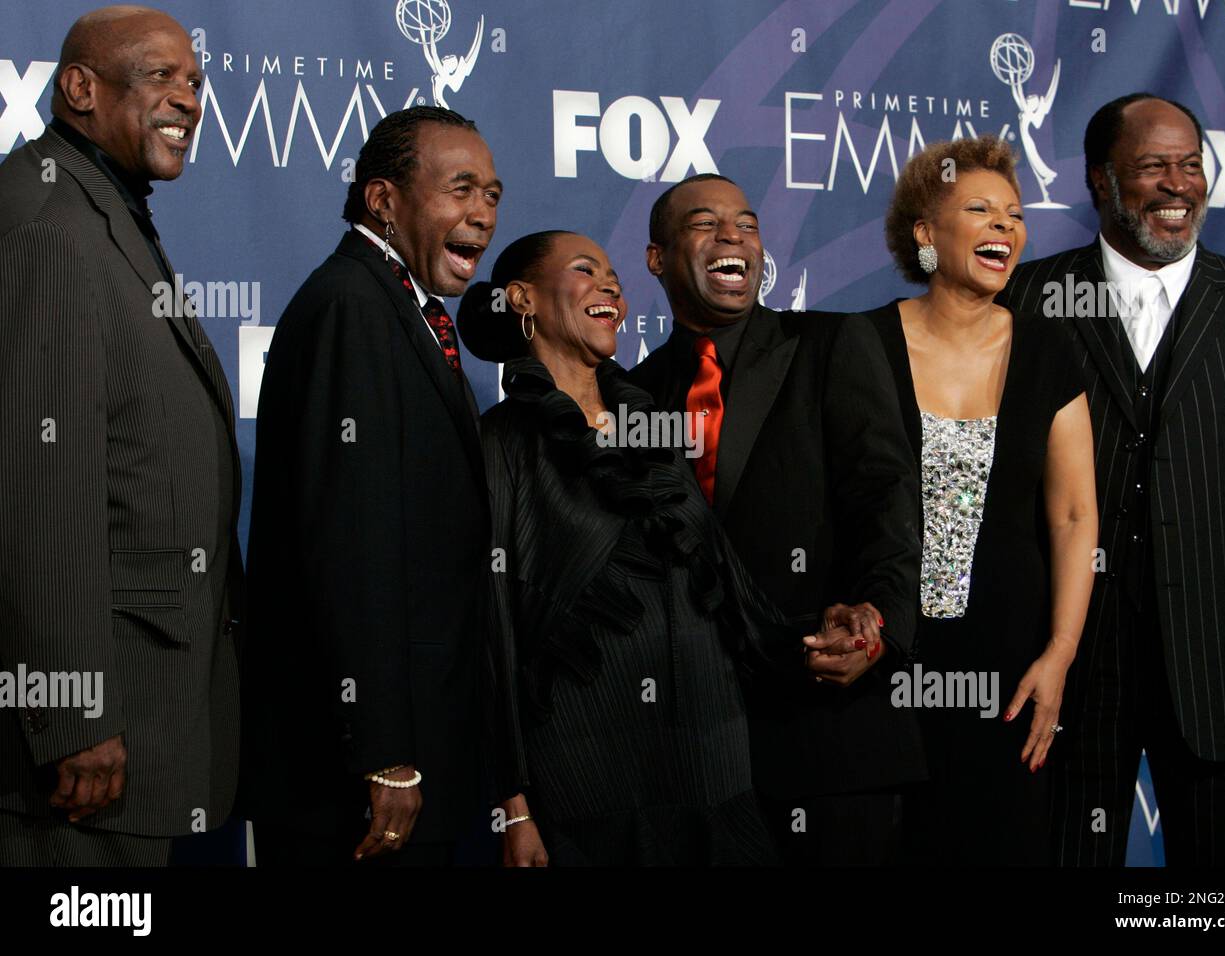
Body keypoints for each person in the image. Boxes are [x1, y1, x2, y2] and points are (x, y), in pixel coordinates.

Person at [458, 231, 872, 866]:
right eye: (583, 270)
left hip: (712, 750)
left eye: (612, 275)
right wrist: (513, 804)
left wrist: (814, 639)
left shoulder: (654, 429)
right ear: (522, 300)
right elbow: (496, 633)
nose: (611, 285)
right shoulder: (502, 442)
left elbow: (725, 586)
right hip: (588, 764)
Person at [1000, 93, 1225, 866]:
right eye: (1152, 167)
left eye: (1191, 165)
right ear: (1100, 181)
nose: (1178, 185)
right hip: (1063, 668)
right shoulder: (1024, 304)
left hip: (1222, 670)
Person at [0, 5, 241, 866]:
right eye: (161, 76)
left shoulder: (99, 208)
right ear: (79, 88)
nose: (188, 98)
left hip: (146, 721)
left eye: (196, 82)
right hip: (86, 749)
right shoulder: (46, 224)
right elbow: (37, 485)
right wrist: (72, 712)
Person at [628, 174, 923, 865]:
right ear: (657, 258)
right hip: (694, 756)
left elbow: (886, 499)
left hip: (831, 727)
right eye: (704, 224)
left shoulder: (831, 344)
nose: (733, 236)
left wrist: (877, 626)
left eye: (748, 223)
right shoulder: (633, 398)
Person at [242, 106, 500, 866]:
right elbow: (350, 543)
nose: (481, 215)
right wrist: (385, 751)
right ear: (383, 200)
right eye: (460, 189)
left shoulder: (402, 309)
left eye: (492, 195)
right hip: (361, 773)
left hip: (419, 752)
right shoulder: (353, 307)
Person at [867, 136, 1098, 865]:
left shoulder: (1051, 351)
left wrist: (1059, 656)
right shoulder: (860, 344)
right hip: (878, 673)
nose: (1005, 226)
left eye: (1014, 214)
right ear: (927, 235)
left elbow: (1072, 517)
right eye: (980, 210)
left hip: (1007, 673)